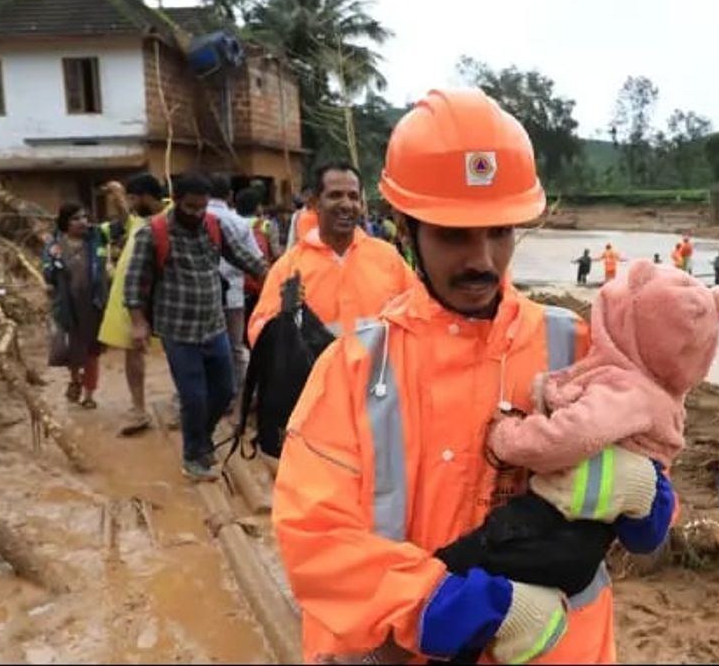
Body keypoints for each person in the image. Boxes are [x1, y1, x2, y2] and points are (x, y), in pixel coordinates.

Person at [273, 88, 664, 665]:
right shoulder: (354, 370)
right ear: (406, 228)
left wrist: (651, 494)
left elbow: (645, 473)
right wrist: (442, 604)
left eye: (499, 232)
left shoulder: (574, 346)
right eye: (454, 235)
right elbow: (314, 535)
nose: (481, 258)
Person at [437, 261, 719, 636]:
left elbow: (569, 437)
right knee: (492, 592)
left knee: (454, 569)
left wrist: (507, 436)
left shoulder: (625, 391)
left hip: (552, 523)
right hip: (588, 541)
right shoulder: (664, 396)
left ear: (628, 326)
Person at [124, 172, 267, 481]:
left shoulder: (214, 227)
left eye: (202, 207)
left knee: (225, 390)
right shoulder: (153, 233)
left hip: (213, 325)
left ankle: (202, 437)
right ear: (175, 201)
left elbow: (245, 259)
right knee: (193, 397)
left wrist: (275, 276)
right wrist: (138, 322)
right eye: (190, 207)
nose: (197, 213)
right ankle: (193, 457)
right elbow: (134, 282)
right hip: (178, 330)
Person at [247, 161, 415, 346]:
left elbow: (419, 312)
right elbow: (258, 335)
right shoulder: (288, 268)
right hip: (316, 366)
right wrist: (284, 318)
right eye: (335, 195)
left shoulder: (388, 258)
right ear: (315, 204)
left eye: (353, 196)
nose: (346, 204)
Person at [97, 172, 169, 435]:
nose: (130, 203)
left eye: (133, 198)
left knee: (177, 352)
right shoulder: (139, 221)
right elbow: (124, 213)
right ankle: (138, 409)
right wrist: (116, 193)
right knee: (132, 352)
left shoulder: (170, 217)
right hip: (133, 301)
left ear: (146, 197)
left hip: (162, 299)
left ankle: (182, 405)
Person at [42, 203, 109, 409]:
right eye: (76, 218)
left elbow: (122, 226)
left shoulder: (96, 238)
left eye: (84, 217)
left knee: (92, 351)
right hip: (66, 304)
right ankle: (75, 379)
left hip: (93, 303)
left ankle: (89, 394)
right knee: (71, 348)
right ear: (65, 222)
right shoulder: (55, 246)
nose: (82, 222)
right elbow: (48, 274)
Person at [210, 174, 264, 399]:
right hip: (234, 293)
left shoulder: (193, 218)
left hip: (201, 297)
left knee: (202, 346)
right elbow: (255, 258)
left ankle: (209, 393)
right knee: (235, 347)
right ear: (229, 195)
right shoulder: (239, 223)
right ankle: (238, 396)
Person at [237, 188, 280, 346]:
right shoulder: (266, 225)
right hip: (261, 281)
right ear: (257, 207)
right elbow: (276, 253)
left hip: (239, 283)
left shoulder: (232, 223)